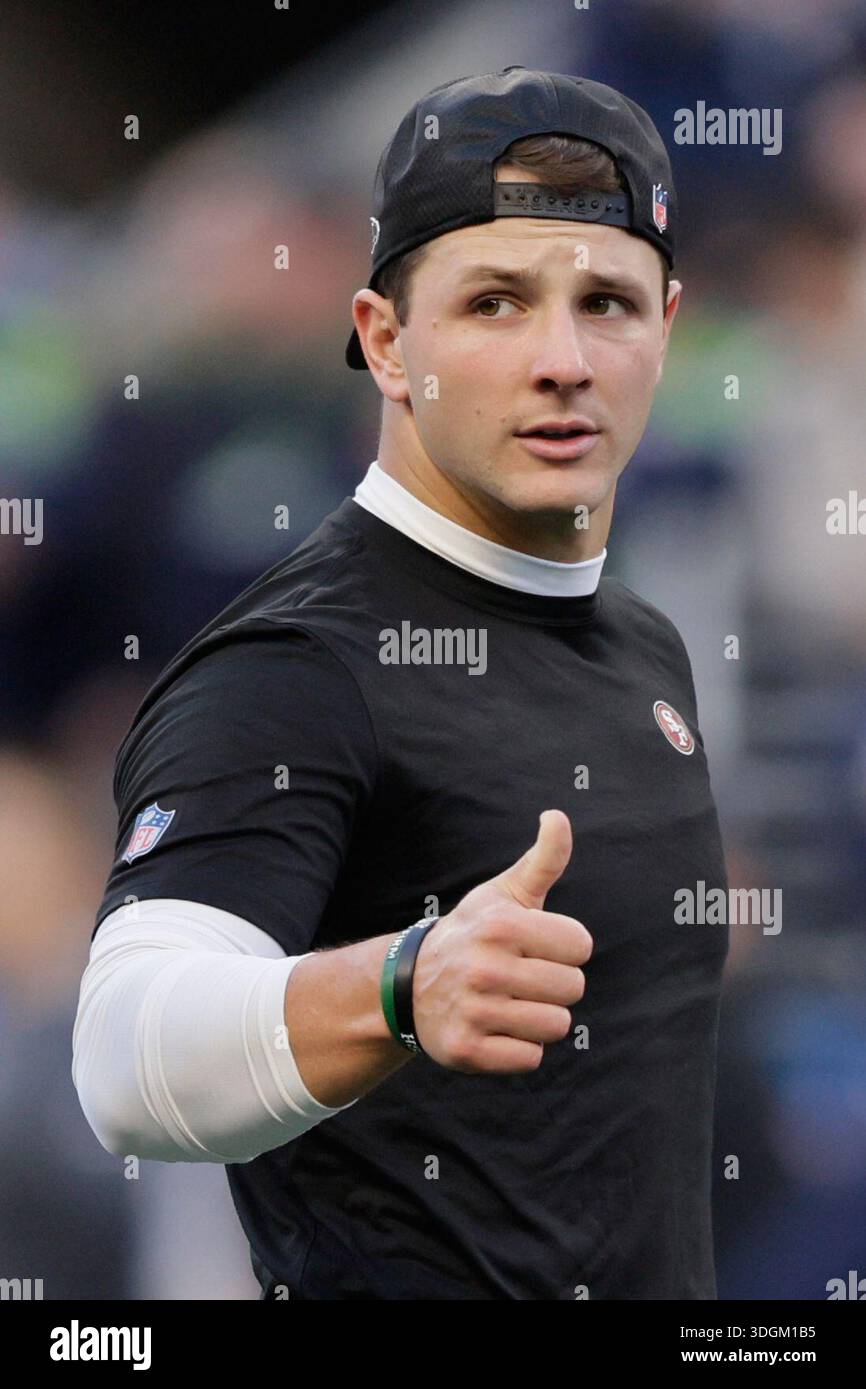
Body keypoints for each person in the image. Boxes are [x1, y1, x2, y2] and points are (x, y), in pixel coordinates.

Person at [73, 66, 729, 1300]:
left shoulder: (646, 642)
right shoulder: (295, 664)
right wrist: (397, 983)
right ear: (384, 340)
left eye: (607, 303)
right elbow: (121, 1057)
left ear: (667, 326)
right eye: (493, 303)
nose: (562, 359)